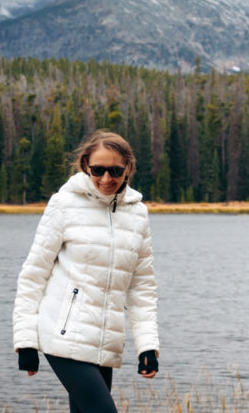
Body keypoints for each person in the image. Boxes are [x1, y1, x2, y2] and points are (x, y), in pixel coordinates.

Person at [13, 130, 160, 412]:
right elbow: (33, 275)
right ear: (85, 166)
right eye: (98, 170)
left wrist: (147, 348)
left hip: (105, 342)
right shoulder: (64, 204)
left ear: (128, 168)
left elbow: (142, 288)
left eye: (115, 170)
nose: (106, 178)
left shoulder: (137, 214)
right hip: (62, 334)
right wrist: (26, 343)